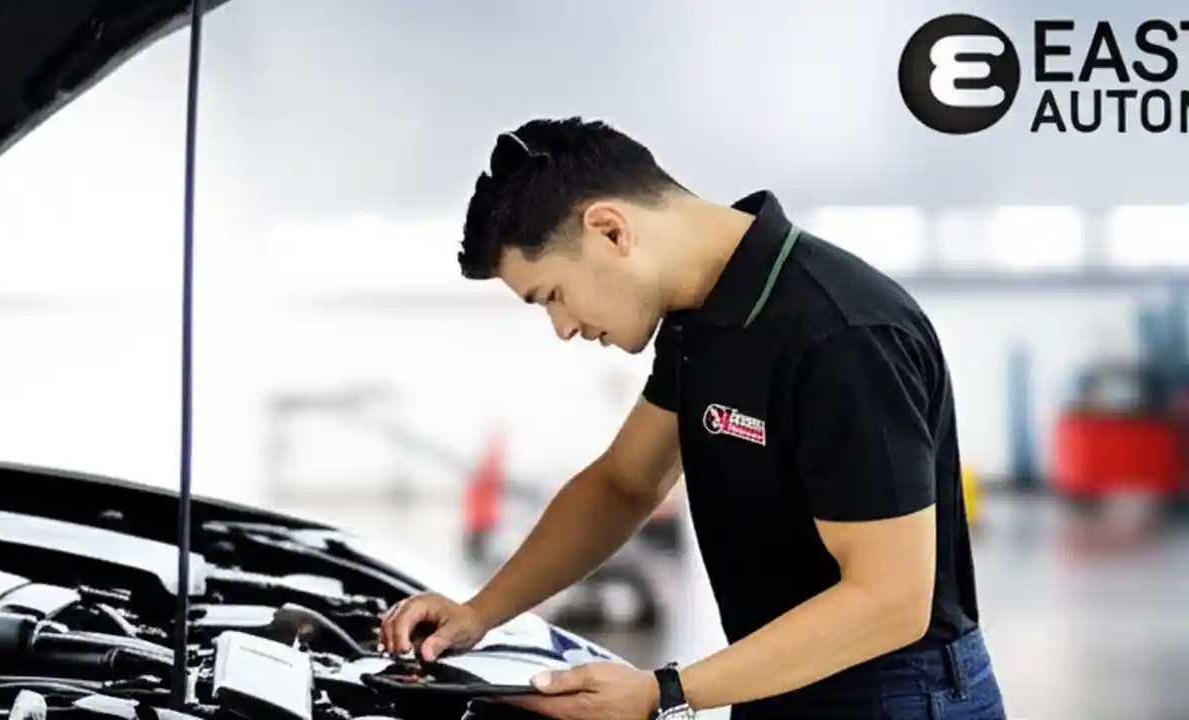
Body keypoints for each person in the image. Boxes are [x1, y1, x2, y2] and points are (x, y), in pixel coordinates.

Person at [378, 117, 1005, 719]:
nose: (563, 328)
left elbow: (890, 601)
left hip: (895, 695)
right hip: (777, 675)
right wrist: (480, 612)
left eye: (553, 296)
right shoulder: (698, 317)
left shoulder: (840, 335)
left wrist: (666, 692)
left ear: (611, 231)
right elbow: (624, 482)